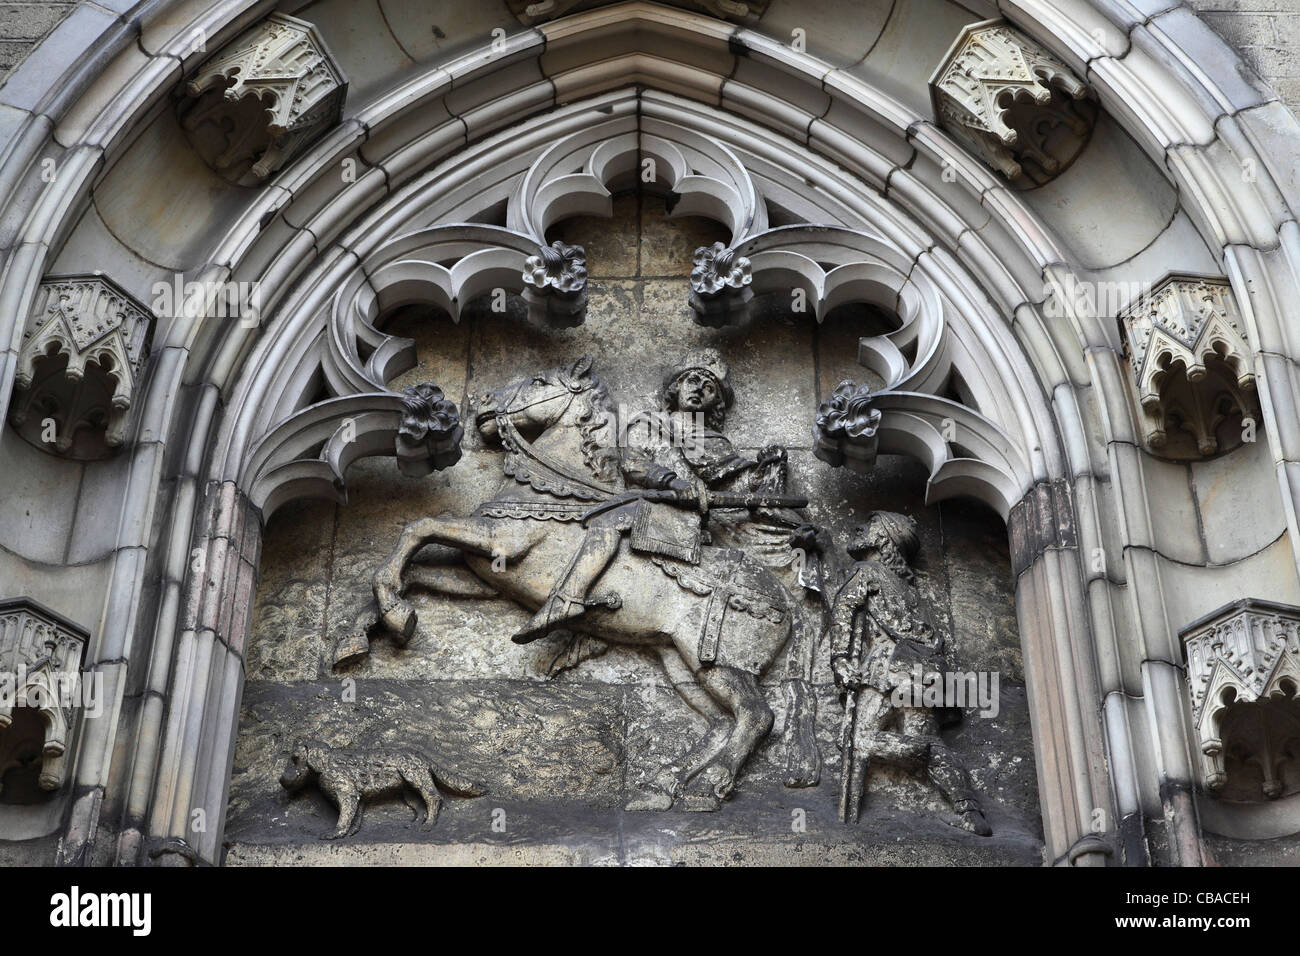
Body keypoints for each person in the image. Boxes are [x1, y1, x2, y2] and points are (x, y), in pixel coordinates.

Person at [511, 347, 787, 643]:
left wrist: (764, 471)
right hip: (655, 503)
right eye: (691, 380)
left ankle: (567, 600)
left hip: (685, 520)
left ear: (716, 403)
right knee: (607, 514)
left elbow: (735, 486)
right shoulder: (649, 423)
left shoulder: (716, 442)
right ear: (676, 388)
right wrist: (675, 483)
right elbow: (633, 463)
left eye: (709, 388)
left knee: (610, 518)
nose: (699, 390)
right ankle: (569, 596)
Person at [830, 511, 991, 835]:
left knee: (857, 741)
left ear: (883, 540)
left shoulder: (866, 571)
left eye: (871, 525)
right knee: (927, 739)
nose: (861, 528)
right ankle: (968, 808)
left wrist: (840, 659)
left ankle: (850, 820)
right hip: (924, 671)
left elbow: (844, 607)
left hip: (887, 667)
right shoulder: (908, 591)